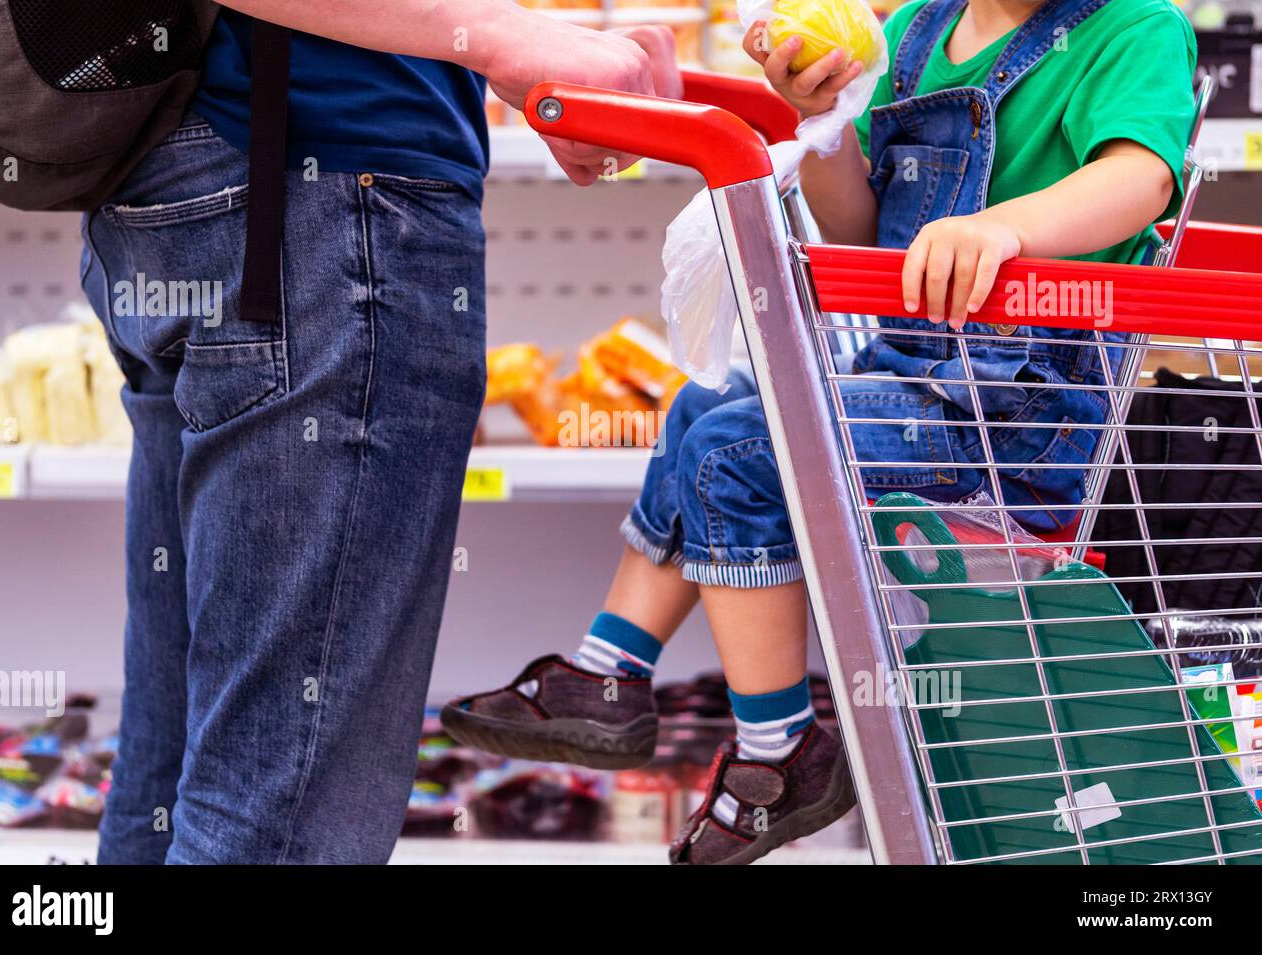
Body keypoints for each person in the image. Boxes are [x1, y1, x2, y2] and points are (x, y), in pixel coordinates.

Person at [441, 0, 1197, 865]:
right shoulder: (912, 28)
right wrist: (823, 118)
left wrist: (1005, 229)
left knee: (739, 453)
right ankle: (609, 674)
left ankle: (779, 753)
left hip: (1021, 414)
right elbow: (864, 232)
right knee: (704, 400)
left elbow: (1142, 176)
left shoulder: (1135, 27)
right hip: (907, 378)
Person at [81, 0, 681, 864]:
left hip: (194, 187)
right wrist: (507, 39)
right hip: (319, 198)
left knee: (181, 773)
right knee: (277, 825)